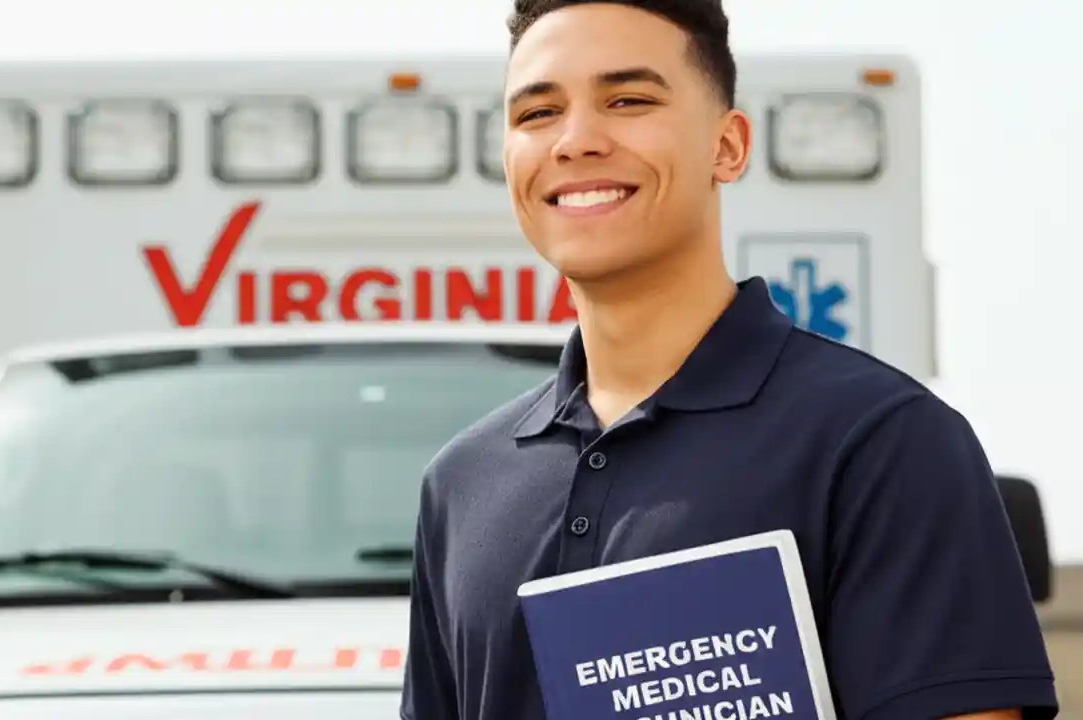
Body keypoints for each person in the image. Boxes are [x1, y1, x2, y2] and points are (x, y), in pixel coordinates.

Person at [398, 1, 1059, 719]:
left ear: (729, 146)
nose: (575, 140)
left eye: (628, 100)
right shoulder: (462, 484)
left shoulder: (882, 442)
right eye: (536, 114)